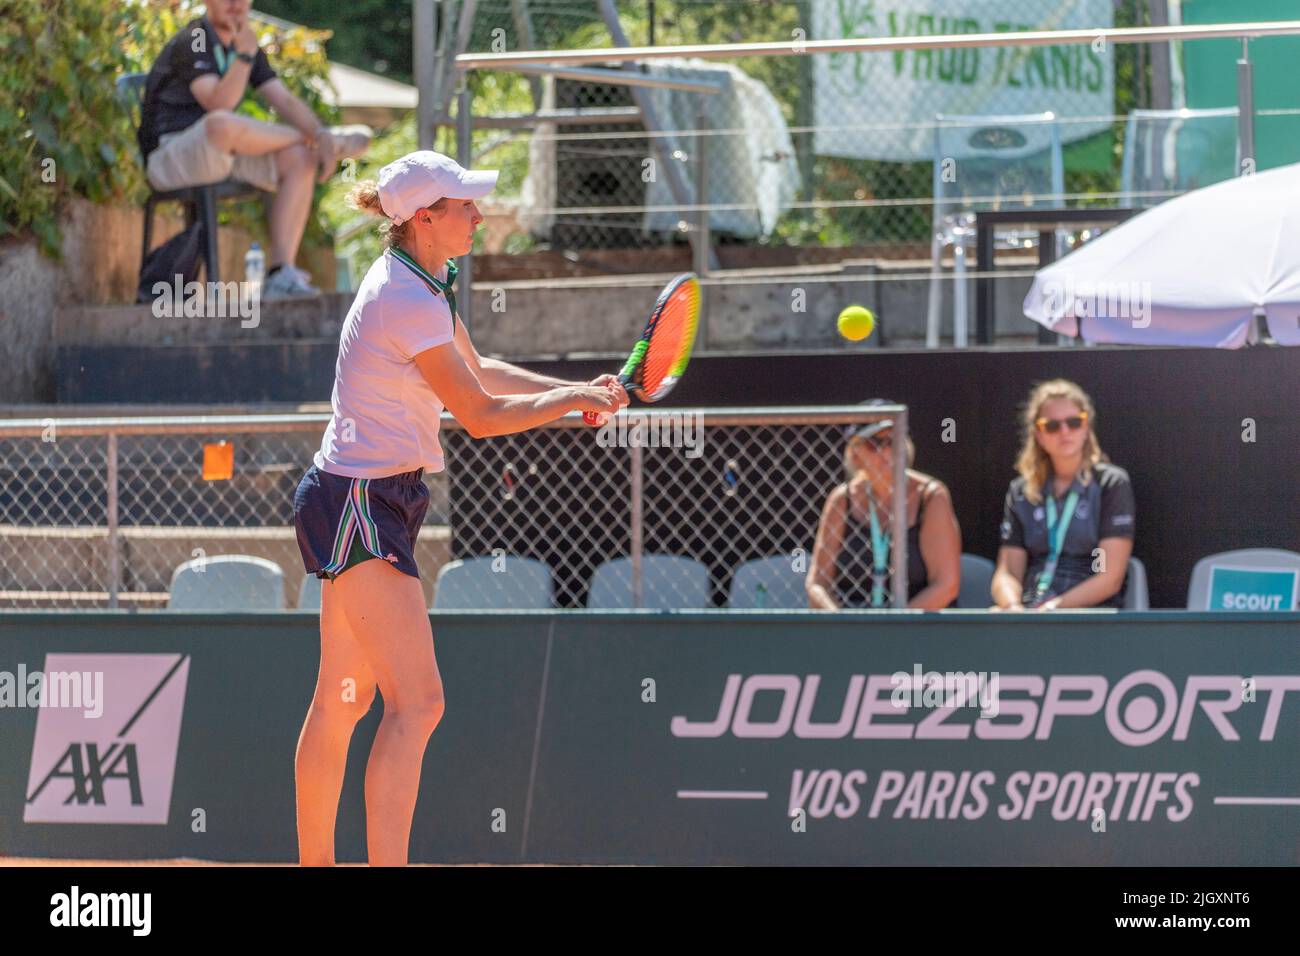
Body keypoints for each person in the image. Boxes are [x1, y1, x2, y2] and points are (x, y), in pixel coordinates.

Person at [291, 150, 627, 866]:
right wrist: (569, 402)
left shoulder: (425, 280)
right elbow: (476, 413)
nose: (478, 214)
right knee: (417, 704)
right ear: (424, 219)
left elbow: (480, 372)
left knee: (345, 701)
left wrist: (573, 392)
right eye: (464, 205)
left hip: (362, 494)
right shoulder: (404, 299)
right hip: (360, 503)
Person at [137, 0, 373, 297]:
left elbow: (284, 101)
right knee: (221, 123)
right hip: (169, 157)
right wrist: (244, 55)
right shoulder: (194, 39)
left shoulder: (245, 43)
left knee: (300, 158)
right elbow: (220, 103)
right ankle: (322, 141)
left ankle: (280, 274)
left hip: (221, 155)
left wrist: (319, 133)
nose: (236, 5)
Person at [991, 379, 1135, 611]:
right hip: (1031, 609)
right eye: (1052, 426)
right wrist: (1012, 607)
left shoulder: (1110, 483)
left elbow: (1109, 578)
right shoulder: (1022, 490)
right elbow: (1008, 572)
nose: (1065, 432)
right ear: (1038, 433)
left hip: (1088, 614)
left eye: (1074, 422)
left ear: (1087, 427)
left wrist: (1054, 610)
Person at [807, 402, 961, 610]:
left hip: (916, 628)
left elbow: (946, 585)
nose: (886, 452)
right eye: (874, 444)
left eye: (892, 441)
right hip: (852, 628)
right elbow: (817, 584)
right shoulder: (842, 499)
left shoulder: (931, 496)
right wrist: (841, 625)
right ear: (855, 453)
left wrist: (892, 631)